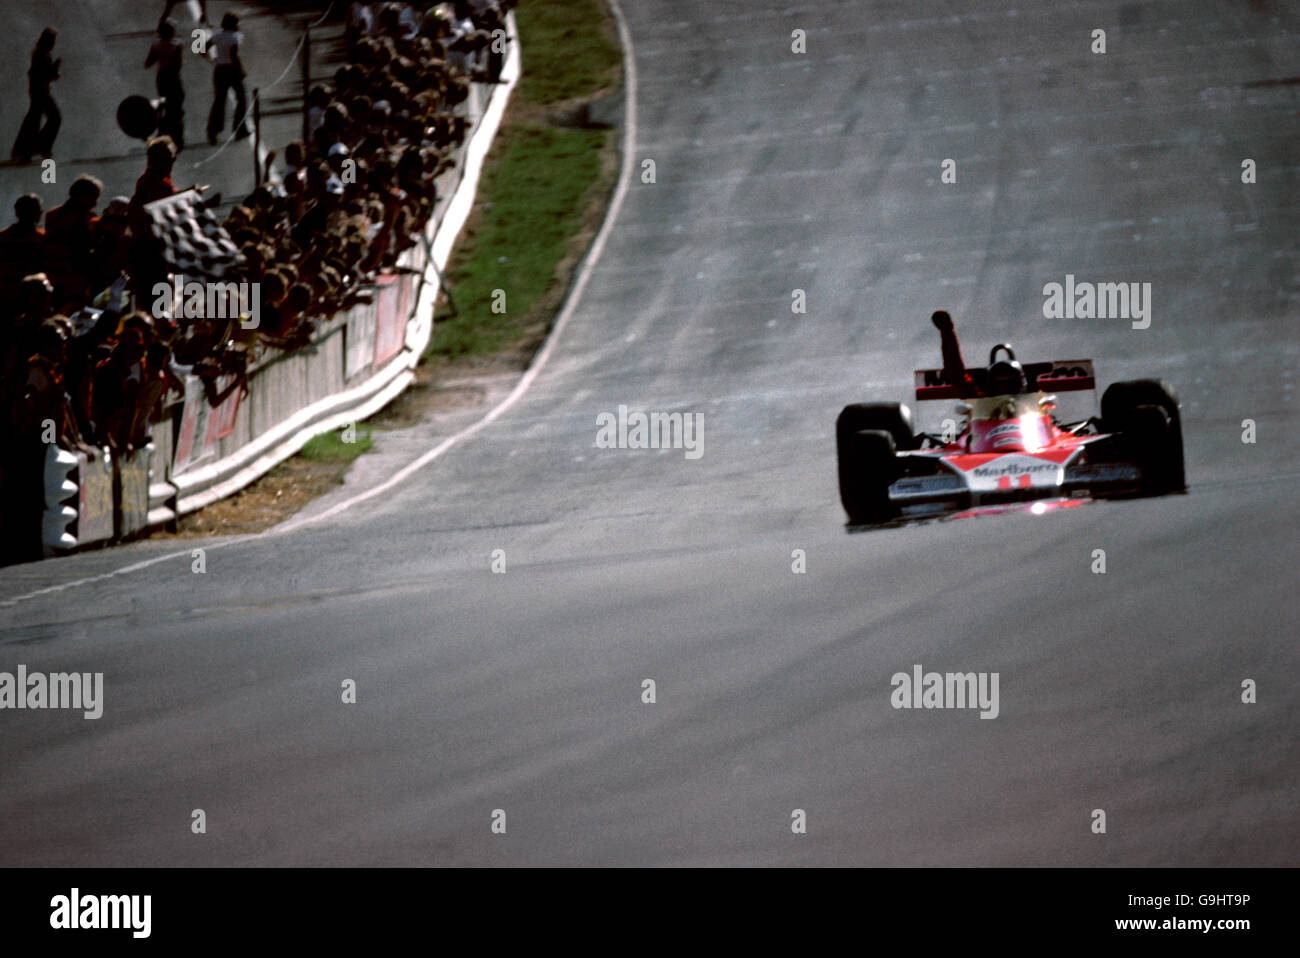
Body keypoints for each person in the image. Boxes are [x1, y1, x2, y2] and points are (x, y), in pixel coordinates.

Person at [44, 174, 103, 312]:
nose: (95, 203)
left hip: (54, 276)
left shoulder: (52, 215)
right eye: (93, 198)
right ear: (82, 196)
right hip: (74, 279)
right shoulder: (87, 220)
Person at [10, 28, 61, 164]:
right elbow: (47, 76)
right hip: (41, 93)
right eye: (52, 41)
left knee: (33, 121)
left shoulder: (39, 54)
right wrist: (55, 68)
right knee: (53, 117)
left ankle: (27, 151)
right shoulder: (43, 56)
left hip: (37, 92)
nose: (53, 44)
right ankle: (37, 148)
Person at [206, 12, 250, 144]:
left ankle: (213, 130)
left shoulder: (217, 35)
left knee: (219, 101)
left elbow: (203, 48)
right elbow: (234, 56)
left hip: (219, 70)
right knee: (241, 99)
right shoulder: (235, 37)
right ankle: (239, 128)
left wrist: (212, 59)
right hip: (232, 70)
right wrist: (241, 70)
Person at [146, 19, 186, 149]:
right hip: (173, 77)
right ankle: (178, 137)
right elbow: (178, 64)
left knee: (165, 103)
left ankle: (162, 132)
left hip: (161, 77)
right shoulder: (177, 45)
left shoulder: (156, 45)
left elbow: (148, 63)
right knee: (177, 107)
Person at [0, 195, 46, 305]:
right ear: (38, 214)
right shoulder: (42, 238)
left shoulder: (3, 237)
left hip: (7, 292)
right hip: (33, 295)